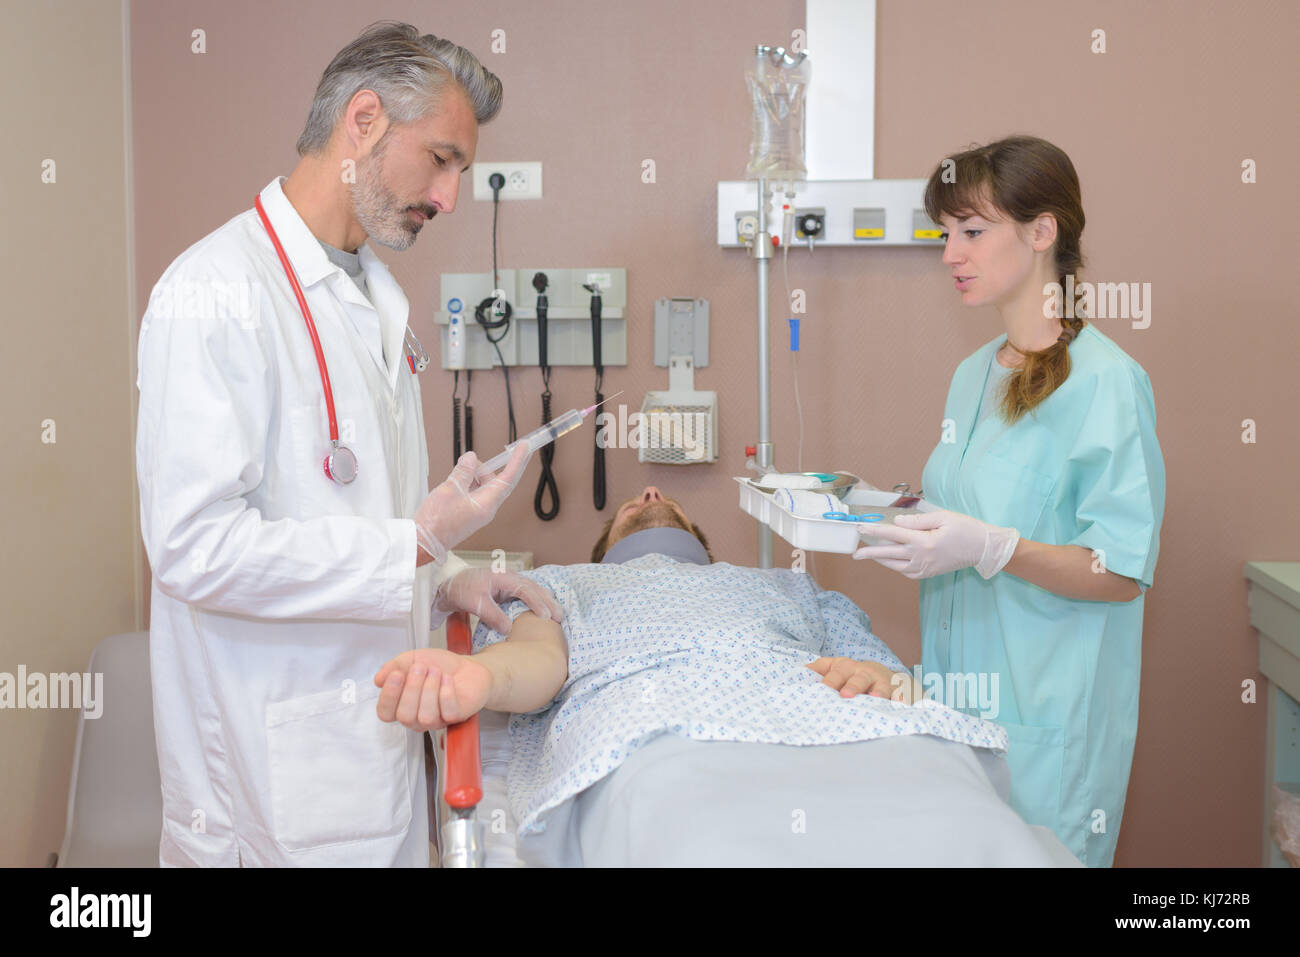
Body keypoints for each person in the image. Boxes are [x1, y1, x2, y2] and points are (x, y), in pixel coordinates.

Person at [135, 21, 560, 867]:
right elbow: (190, 548)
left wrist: (445, 578)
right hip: (268, 780)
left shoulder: (373, 295)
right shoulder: (212, 292)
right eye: (441, 160)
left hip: (372, 758)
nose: (448, 198)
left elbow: (359, 513)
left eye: (460, 172)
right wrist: (418, 541)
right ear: (362, 121)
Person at [372, 486, 1075, 867]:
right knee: (702, 834)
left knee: (970, 823)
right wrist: (480, 678)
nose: (649, 488)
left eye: (665, 500)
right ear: (605, 550)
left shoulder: (787, 586)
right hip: (662, 731)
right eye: (631, 502)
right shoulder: (563, 584)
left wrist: (882, 683)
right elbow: (540, 666)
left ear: (707, 551)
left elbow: (899, 687)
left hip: (839, 721)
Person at [854, 135, 1166, 866]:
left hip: (1049, 722)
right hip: (959, 702)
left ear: (1041, 230)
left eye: (971, 231)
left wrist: (996, 548)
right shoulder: (972, 374)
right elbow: (970, 504)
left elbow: (1121, 570)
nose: (949, 254)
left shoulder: (1106, 383)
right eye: (944, 234)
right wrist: (881, 512)